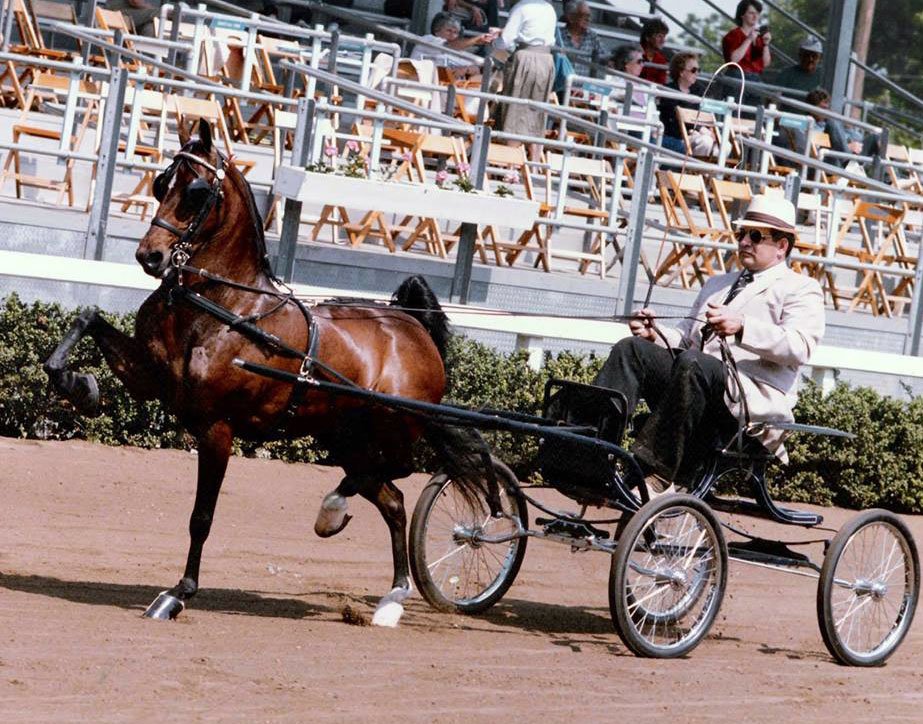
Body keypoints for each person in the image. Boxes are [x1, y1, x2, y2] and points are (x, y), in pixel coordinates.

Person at [593, 194, 824, 492]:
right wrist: (654, 334)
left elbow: (800, 346)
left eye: (756, 236)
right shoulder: (717, 284)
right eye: (741, 234)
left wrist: (743, 327)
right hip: (695, 384)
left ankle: (659, 474)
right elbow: (686, 337)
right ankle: (594, 452)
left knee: (694, 363)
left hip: (748, 403)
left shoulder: (801, 289)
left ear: (782, 246)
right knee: (632, 349)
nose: (744, 242)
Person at [494, 0, 557, 162]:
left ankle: (511, 165)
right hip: (547, 60)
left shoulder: (522, 7)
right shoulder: (548, 8)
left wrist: (495, 40)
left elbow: (506, 41)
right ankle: (534, 164)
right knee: (537, 112)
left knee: (515, 109)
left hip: (527, 58)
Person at [658, 52, 715, 157]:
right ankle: (694, 171)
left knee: (726, 146)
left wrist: (710, 129)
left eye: (698, 70)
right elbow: (675, 118)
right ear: (681, 72)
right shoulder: (669, 91)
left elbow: (708, 113)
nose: (697, 73)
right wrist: (699, 128)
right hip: (678, 136)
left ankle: (700, 171)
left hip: (698, 134)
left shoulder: (701, 91)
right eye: (693, 70)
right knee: (706, 142)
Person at [410, 12, 496, 76]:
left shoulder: (457, 52)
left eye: (456, 32)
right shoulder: (428, 40)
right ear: (436, 30)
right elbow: (449, 46)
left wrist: (467, 69)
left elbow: (480, 66)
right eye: (449, 31)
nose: (453, 35)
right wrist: (476, 40)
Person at [722, 1, 772, 82]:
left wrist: (766, 44)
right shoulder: (734, 34)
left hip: (755, 77)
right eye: (751, 13)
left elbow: (765, 63)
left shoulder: (759, 38)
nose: (755, 16)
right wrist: (748, 39)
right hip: (737, 76)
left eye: (757, 13)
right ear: (742, 15)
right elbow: (733, 60)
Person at [558, 0, 603, 77]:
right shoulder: (559, 36)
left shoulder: (593, 37)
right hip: (561, 86)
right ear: (571, 17)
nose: (588, 19)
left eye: (589, 16)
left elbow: (603, 58)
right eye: (585, 16)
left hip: (584, 86)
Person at [607, 44, 648, 119]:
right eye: (639, 61)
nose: (642, 65)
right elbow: (599, 91)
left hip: (645, 127)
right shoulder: (614, 81)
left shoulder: (646, 88)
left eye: (643, 61)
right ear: (627, 64)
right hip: (621, 126)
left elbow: (654, 117)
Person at [639, 17, 669, 85]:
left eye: (664, 37)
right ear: (647, 37)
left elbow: (660, 86)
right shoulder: (634, 54)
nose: (663, 40)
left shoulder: (661, 60)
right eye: (659, 36)